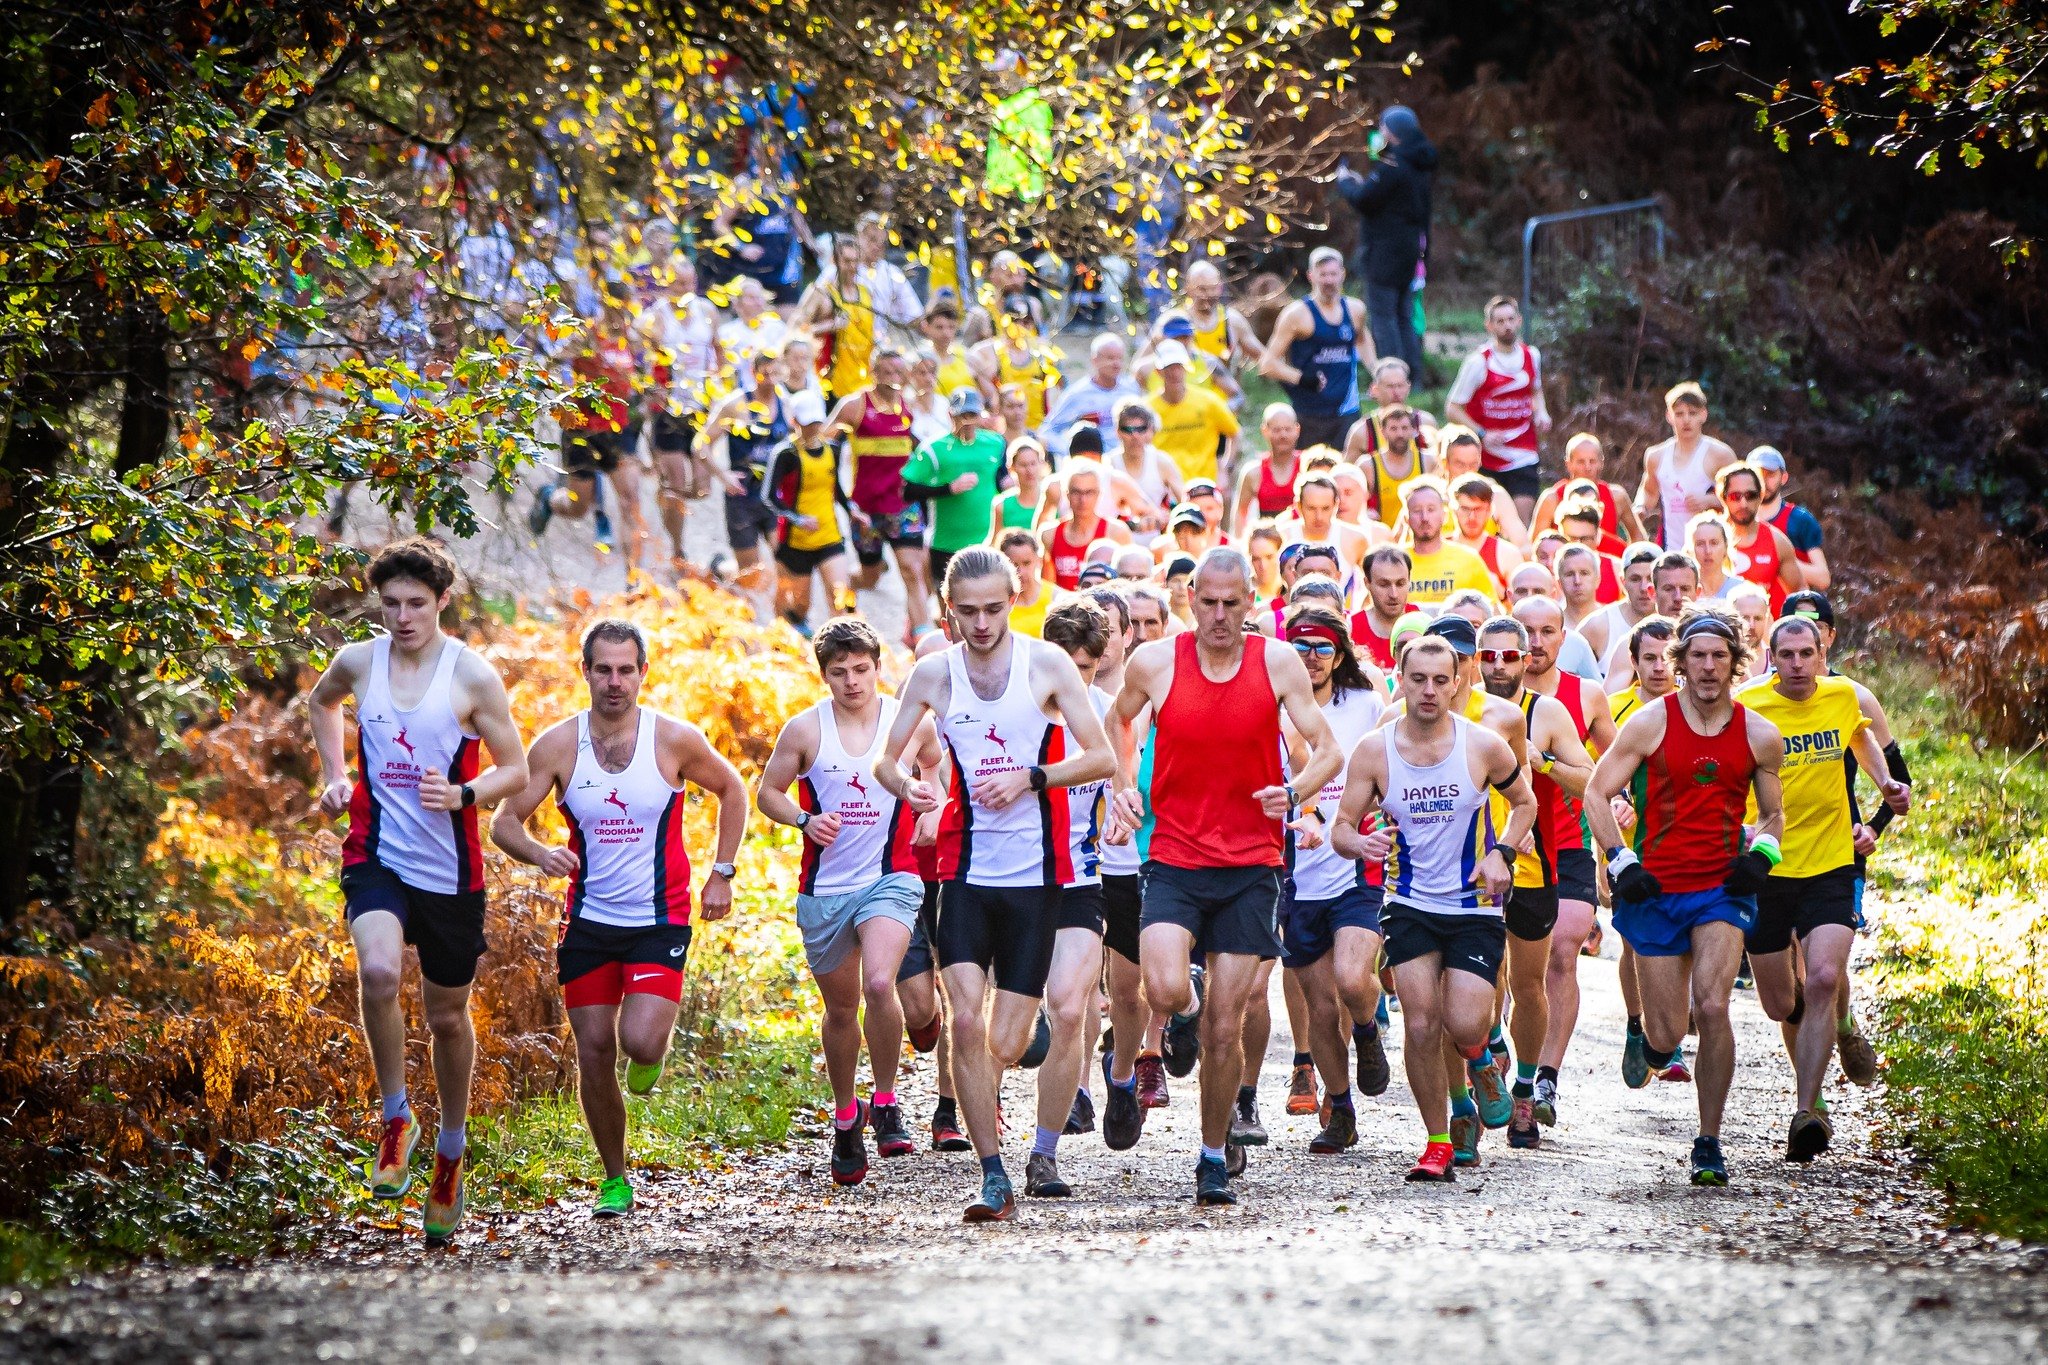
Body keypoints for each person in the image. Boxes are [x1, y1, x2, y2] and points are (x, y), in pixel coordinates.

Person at [875, 548, 1116, 1222]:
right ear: (950, 609)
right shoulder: (933, 673)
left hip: (1036, 877)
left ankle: (1024, 1050)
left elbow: (1102, 755)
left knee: (1006, 1040)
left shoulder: (1048, 665)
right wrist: (912, 787)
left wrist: (1032, 778)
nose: (981, 623)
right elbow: (884, 760)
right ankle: (992, 1175)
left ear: (1013, 599)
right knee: (964, 1022)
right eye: (967, 611)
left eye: (993, 608)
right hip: (963, 871)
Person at [1104, 547, 1345, 1204]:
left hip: (1250, 864)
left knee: (1226, 1024)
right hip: (1174, 855)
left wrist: (1295, 794)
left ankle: (1213, 1154)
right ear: (1189, 598)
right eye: (1206, 602)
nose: (1217, 615)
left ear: (1250, 603)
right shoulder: (1155, 662)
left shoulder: (1276, 661)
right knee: (1162, 986)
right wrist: (1124, 785)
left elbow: (1327, 748)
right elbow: (1117, 718)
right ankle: (1180, 1011)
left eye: (1230, 604)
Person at [309, 539, 530, 1244]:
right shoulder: (359, 662)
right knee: (376, 971)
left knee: (444, 1018)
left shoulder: (471, 676)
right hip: (376, 853)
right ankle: (396, 1115)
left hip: (450, 874)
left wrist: (465, 791)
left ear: (440, 601)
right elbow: (322, 701)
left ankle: (451, 1151)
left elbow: (517, 769)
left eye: (415, 603)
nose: (402, 616)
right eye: (390, 603)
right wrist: (333, 776)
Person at [491, 619, 746, 1217]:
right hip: (587, 921)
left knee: (639, 1040)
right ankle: (614, 1178)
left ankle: (652, 1055)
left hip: (661, 918)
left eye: (625, 669)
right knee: (596, 1049)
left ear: (643, 673)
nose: (614, 682)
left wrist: (722, 871)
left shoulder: (673, 740)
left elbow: (733, 789)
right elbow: (505, 822)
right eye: (602, 669)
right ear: (585, 671)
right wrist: (539, 852)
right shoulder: (557, 745)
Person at [1585, 604, 1786, 1186]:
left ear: (1735, 663)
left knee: (1715, 1006)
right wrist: (1622, 862)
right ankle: (1649, 1041)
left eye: (1719, 656)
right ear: (1680, 663)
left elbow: (1774, 817)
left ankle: (1709, 1142)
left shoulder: (1757, 733)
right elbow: (1597, 794)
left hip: (1721, 888)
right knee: (1667, 1034)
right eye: (1696, 656)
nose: (1707, 667)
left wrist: (1760, 858)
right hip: (1653, 888)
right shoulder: (1650, 723)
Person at [1330, 634, 1537, 1181]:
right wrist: (1361, 844)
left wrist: (1502, 852)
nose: (1429, 690)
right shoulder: (1375, 750)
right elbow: (1342, 828)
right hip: (1409, 903)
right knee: (1421, 1026)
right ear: (1400, 679)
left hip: (1474, 904)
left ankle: (1479, 1059)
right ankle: (1438, 1140)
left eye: (1441, 680)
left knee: (1466, 1019)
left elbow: (1525, 802)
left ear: (1458, 682)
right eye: (1417, 679)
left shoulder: (1484, 745)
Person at [754, 618, 943, 1184]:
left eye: (861, 670)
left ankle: (885, 1100)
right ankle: (845, 1116)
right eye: (839, 673)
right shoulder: (805, 729)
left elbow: (934, 758)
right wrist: (804, 820)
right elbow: (767, 792)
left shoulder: (904, 724)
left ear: (877, 668)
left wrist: (928, 808)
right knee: (840, 1011)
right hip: (825, 889)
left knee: (881, 983)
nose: (852, 681)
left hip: (892, 875)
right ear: (825, 676)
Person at [1737, 618, 1909, 1159]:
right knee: (1779, 1002)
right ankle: (1816, 1060)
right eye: (1785, 654)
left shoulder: (1840, 695)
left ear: (1821, 653)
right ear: (1770, 656)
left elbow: (1859, 734)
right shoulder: (1747, 704)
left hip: (1831, 861)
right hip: (1767, 863)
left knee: (1825, 979)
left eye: (1805, 653)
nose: (1796, 663)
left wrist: (1883, 784)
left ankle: (1807, 1112)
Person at [1475, 613, 1593, 1150]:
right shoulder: (1464, 712)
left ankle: (1524, 1087)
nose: (1498, 665)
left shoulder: (1546, 711)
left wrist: (1541, 765)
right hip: (1472, 870)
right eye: (1488, 656)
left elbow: (1589, 777)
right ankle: (1486, 1058)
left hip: (1535, 869)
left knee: (1527, 983)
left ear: (1527, 659)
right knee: (1477, 981)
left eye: (1508, 655)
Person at [1276, 606, 1391, 1156]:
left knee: (1351, 979)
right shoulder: (1269, 710)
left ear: (1340, 655)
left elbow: (1400, 766)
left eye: (1323, 648)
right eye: (1301, 647)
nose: (1313, 658)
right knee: (1319, 1005)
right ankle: (1340, 1108)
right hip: (1294, 875)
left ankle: (1367, 1030)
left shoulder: (1367, 705)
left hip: (1357, 863)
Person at [1509, 594, 1618, 1132]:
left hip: (1568, 843)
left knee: (1563, 952)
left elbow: (1608, 774)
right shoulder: (1481, 698)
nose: (1534, 642)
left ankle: (1544, 1076)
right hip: (1503, 848)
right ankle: (1504, 1049)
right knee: (1513, 971)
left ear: (1562, 638)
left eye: (1547, 631)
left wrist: (1545, 762)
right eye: (1524, 630)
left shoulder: (1581, 696)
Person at [1027, 598, 1120, 1196]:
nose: (1077, 682)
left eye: (1089, 669)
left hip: (1083, 877)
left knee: (1068, 1008)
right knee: (1006, 1032)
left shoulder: (1109, 713)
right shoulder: (1017, 710)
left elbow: (1125, 778)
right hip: (1010, 881)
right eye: (1069, 666)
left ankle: (1044, 1154)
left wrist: (1120, 812)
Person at [531, 302, 650, 572]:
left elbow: (641, 381)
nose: (621, 321)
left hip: (617, 432)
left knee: (630, 500)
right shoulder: (587, 334)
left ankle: (634, 578)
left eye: (625, 315)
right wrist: (567, 387)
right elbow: (551, 362)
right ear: (604, 311)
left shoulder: (632, 339)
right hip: (582, 431)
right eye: (615, 315)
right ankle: (549, 497)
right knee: (578, 507)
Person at [825, 346, 934, 637]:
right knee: (870, 577)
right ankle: (853, 581)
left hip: (903, 506)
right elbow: (819, 442)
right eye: (886, 372)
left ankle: (921, 636)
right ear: (873, 373)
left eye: (898, 372)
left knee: (912, 570)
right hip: (866, 509)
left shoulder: (912, 410)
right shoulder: (855, 406)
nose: (892, 378)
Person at [1333, 104, 1436, 382]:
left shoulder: (1393, 166)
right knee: (1403, 315)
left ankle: (1392, 378)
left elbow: (1365, 199)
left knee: (1384, 317)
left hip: (1385, 254)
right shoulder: (1418, 165)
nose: (1379, 133)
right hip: (1410, 250)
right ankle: (1412, 377)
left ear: (1392, 133)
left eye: (1382, 128)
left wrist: (1345, 183)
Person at [694, 343, 789, 614]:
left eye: (775, 373)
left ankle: (782, 621)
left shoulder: (786, 405)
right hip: (742, 496)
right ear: (754, 372)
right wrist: (722, 475)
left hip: (774, 497)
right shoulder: (735, 404)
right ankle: (722, 569)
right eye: (765, 374)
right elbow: (700, 443)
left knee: (785, 559)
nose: (770, 379)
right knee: (750, 575)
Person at [637, 260, 723, 555]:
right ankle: (677, 547)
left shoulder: (707, 311)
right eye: (678, 284)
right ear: (666, 286)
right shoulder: (655, 317)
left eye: (689, 284)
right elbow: (641, 354)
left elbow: (719, 349)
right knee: (676, 484)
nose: (685, 290)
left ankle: (665, 492)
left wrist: (718, 384)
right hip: (669, 410)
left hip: (700, 406)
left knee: (701, 488)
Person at [1444, 296, 1551, 520]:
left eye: (1511, 319)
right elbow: (1452, 408)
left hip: (1523, 451)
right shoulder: (1478, 362)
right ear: (1489, 326)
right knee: (1487, 520)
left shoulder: (1532, 356)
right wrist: (1483, 433)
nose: (1507, 326)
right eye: (1500, 321)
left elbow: (1536, 390)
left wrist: (1542, 412)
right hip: (1486, 456)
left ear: (1520, 320)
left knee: (1521, 520)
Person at [1259, 247, 1374, 450]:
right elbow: (1267, 364)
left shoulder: (1355, 310)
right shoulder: (1296, 314)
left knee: (1345, 473)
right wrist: (1301, 378)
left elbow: (1362, 339)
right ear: (1311, 276)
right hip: (1309, 411)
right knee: (1310, 473)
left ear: (1342, 274)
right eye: (1323, 275)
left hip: (1346, 409)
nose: (1328, 280)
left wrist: (1376, 370)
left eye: (1333, 274)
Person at [764, 388, 856, 634]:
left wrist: (852, 510)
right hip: (796, 543)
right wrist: (798, 519)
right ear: (795, 422)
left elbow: (835, 487)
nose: (813, 428)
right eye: (807, 423)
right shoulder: (786, 454)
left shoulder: (832, 450)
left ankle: (846, 639)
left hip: (829, 535)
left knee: (841, 594)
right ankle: (785, 637)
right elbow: (769, 496)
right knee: (799, 606)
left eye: (817, 422)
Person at [904, 388, 1009, 592]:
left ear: (981, 416)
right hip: (945, 543)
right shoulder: (933, 448)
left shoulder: (995, 443)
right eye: (963, 416)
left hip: (987, 539)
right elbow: (908, 490)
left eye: (973, 415)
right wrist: (948, 489)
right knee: (950, 604)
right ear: (950, 414)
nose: (968, 422)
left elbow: (999, 477)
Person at [1635, 381, 1738, 548]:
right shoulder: (1656, 455)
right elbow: (1648, 491)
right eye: (1679, 414)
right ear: (1669, 416)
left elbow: (1742, 498)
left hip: (1710, 548)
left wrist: (1709, 500)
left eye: (1693, 413)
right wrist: (1641, 507)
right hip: (1670, 546)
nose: (1686, 420)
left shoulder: (1720, 455)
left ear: (1704, 415)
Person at [795, 235, 878, 400]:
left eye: (855, 261)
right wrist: (830, 325)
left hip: (863, 381)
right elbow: (796, 331)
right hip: (829, 381)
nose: (852, 267)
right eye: (847, 261)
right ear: (835, 261)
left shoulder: (866, 293)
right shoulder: (821, 292)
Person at [1715, 461, 1805, 614]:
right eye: (1735, 496)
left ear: (1761, 496)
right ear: (1724, 498)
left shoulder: (1777, 542)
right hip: (1717, 633)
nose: (1743, 504)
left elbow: (1802, 598)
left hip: (1764, 633)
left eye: (1750, 495)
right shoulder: (1705, 538)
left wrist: (1801, 632)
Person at [1147, 341, 1240, 485]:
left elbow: (1235, 433)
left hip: (1205, 484)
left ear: (1186, 368)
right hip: (1164, 485)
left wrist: (1225, 468)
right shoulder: (1148, 408)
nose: (1174, 373)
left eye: (1178, 367)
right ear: (1158, 372)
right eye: (1168, 368)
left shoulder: (1208, 401)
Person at [1531, 434, 1650, 546]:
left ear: (1601, 463)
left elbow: (1638, 537)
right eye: (1581, 462)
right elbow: (1535, 543)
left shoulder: (1616, 496)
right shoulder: (1552, 498)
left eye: (1592, 461)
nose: (1587, 467)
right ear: (1568, 464)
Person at [1398, 479, 1496, 608]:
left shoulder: (1469, 560)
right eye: (1417, 511)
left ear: (1444, 516)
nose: (1425, 518)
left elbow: (1491, 612)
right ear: (1406, 518)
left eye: (1431, 509)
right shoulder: (1395, 561)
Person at [1040, 333, 1141, 456]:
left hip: (1128, 459)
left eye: (1120, 358)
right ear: (1095, 360)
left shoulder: (1131, 389)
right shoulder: (1077, 394)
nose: (1116, 364)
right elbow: (1047, 431)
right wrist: (1073, 451)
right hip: (1094, 462)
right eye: (1110, 358)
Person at [1040, 461, 1133, 591]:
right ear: (1067, 495)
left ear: (1098, 494)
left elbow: (1129, 581)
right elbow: (1046, 586)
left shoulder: (1116, 532)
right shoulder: (1050, 534)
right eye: (1076, 492)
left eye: (1089, 492)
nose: (1083, 500)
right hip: (1066, 608)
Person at [1436, 424, 1533, 546]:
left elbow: (1524, 546)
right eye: (1460, 465)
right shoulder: (1433, 497)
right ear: (1444, 463)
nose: (1467, 472)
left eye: (1472, 465)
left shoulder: (1495, 495)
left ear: (1480, 461)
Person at [1580, 543, 1662, 686]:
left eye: (1650, 579)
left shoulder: (1677, 621)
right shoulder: (1599, 625)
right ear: (1623, 582)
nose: (1644, 588)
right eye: (1635, 579)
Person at [1753, 446, 1830, 590]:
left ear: (1783, 478)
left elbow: (1823, 578)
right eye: (1758, 475)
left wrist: (1780, 560)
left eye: (1770, 474)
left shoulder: (1800, 520)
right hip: (1748, 611)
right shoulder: (1734, 521)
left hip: (1791, 610)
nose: (1763, 481)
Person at [1352, 404, 1436, 531]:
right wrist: (1366, 514)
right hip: (1383, 539)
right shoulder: (1367, 465)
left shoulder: (1428, 460)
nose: (1400, 434)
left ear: (1414, 430)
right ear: (1382, 432)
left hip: (1419, 538)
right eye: (1393, 429)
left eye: (1404, 428)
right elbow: (1354, 505)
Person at [1231, 403, 1307, 534]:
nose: (1283, 435)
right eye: (1277, 430)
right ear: (1264, 431)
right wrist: (1241, 543)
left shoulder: (1308, 465)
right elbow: (1241, 513)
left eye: (1287, 429)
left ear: (1297, 430)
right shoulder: (1253, 472)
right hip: (1268, 544)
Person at [1109, 397, 1187, 519]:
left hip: (1157, 535)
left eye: (1141, 429)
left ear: (1150, 430)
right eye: (1128, 429)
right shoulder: (1109, 464)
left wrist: (1169, 518)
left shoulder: (1162, 462)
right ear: (1117, 431)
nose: (1135, 435)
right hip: (1119, 535)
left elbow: (1186, 504)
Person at [1449, 473, 1525, 593]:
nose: (1472, 517)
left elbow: (1522, 606)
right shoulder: (1437, 549)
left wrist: (1501, 594)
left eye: (1478, 509)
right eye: (1465, 509)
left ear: (1490, 510)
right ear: (1454, 509)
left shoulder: (1507, 554)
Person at [1351, 545, 1422, 672]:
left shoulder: (1424, 621)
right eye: (1384, 585)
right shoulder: (1351, 629)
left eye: (1400, 584)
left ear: (1409, 581)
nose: (1393, 594)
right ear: (1367, 583)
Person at [998, 527, 1057, 639]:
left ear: (1038, 561)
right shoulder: (995, 603)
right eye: (1013, 565)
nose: (1020, 572)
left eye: (1026, 563)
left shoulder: (1056, 598)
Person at [1687, 511, 1742, 600]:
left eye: (1714, 543)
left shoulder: (1740, 590)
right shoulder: (1684, 592)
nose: (1708, 551)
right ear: (1691, 549)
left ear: (1726, 546)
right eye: (1700, 544)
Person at [1652, 549, 1702, 619]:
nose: (1678, 597)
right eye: (1669, 589)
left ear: (1697, 593)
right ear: (1653, 593)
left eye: (1685, 589)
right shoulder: (1642, 630)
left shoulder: (1712, 629)